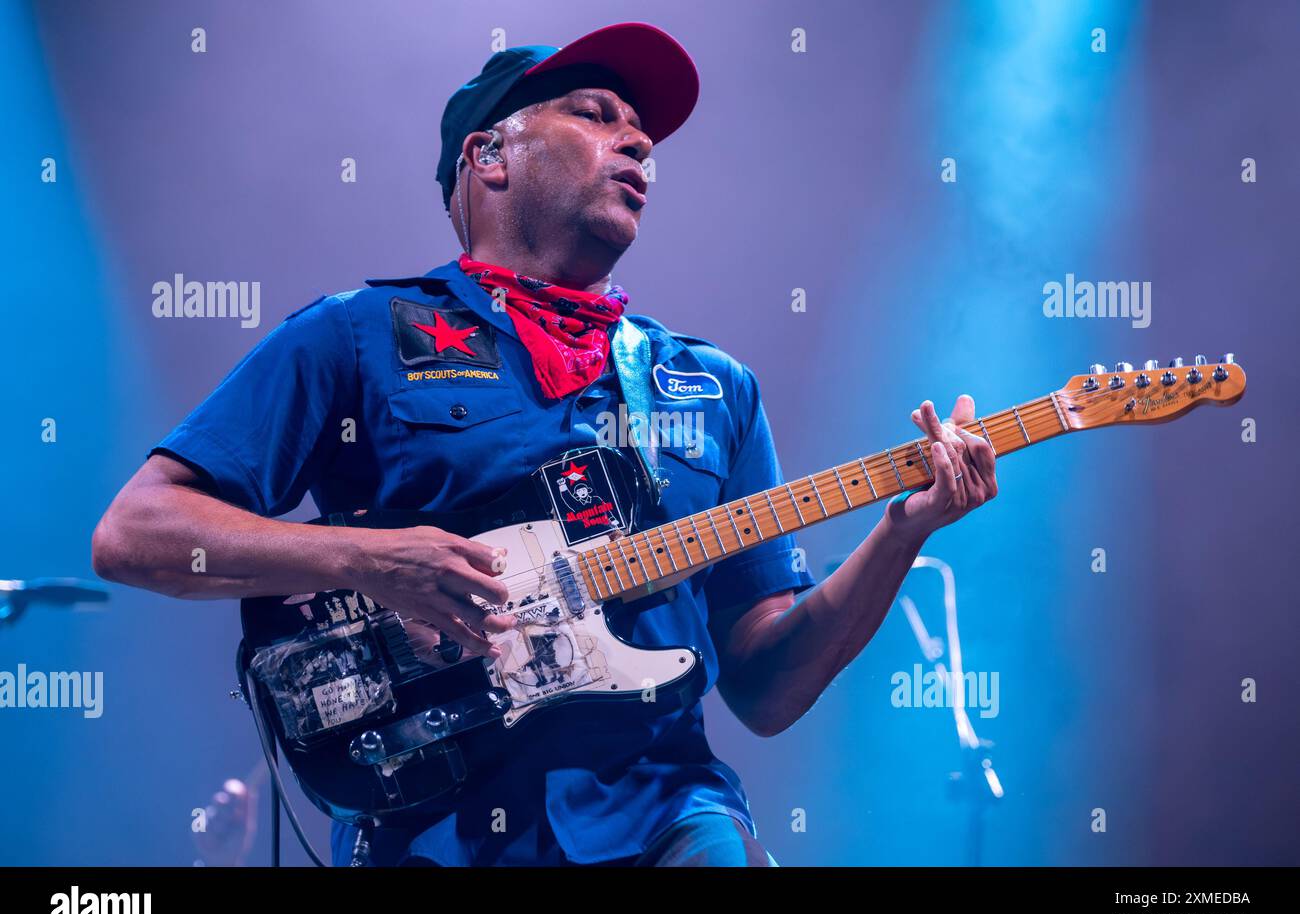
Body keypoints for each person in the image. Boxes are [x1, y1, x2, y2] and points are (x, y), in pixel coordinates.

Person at [91, 22, 998, 867]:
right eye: (597, 115)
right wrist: (365, 560)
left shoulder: (712, 386)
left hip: (670, 821)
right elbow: (136, 532)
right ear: (489, 157)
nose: (638, 142)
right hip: (429, 824)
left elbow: (765, 690)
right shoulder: (356, 335)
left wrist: (901, 532)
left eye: (643, 131)